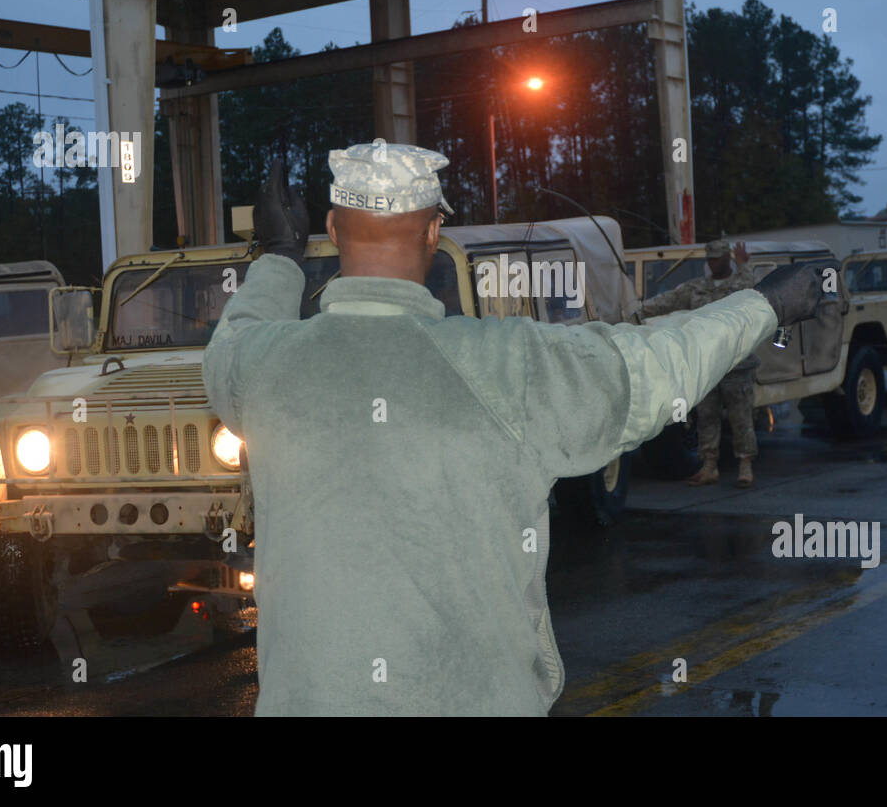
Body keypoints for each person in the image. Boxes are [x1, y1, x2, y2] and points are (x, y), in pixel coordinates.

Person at [202, 144, 824, 716]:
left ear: (333, 231)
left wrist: (278, 260)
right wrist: (765, 304)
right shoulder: (508, 364)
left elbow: (233, 336)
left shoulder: (258, 365)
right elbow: (657, 368)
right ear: (433, 230)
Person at [639, 239, 761, 488]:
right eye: (710, 259)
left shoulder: (740, 285)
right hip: (706, 366)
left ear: (728, 258)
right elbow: (668, 301)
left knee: (741, 418)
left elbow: (755, 292)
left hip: (735, 364)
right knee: (707, 417)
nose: (713, 263)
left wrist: (744, 266)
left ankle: (745, 466)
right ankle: (709, 466)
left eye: (717, 258)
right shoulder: (696, 289)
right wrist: (637, 313)